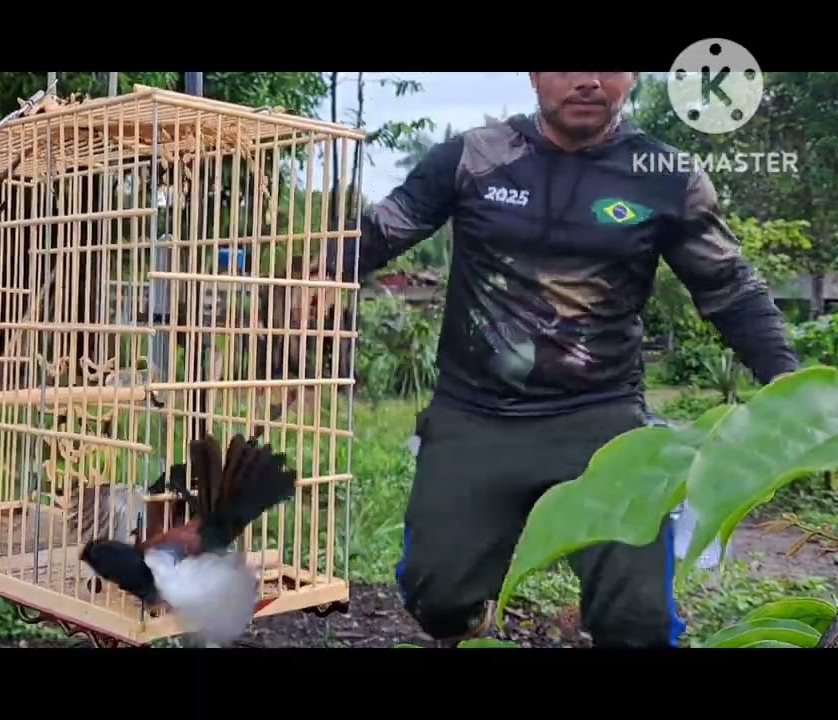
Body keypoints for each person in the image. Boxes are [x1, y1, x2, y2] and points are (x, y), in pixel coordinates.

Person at [331, 72, 799, 648]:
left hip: (603, 419)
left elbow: (730, 289)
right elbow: (377, 235)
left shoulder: (667, 177)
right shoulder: (474, 158)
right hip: (476, 414)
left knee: (636, 623)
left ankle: (607, 615)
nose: (587, 81)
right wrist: (308, 278)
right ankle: (472, 617)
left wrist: (788, 384)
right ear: (533, 75)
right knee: (439, 599)